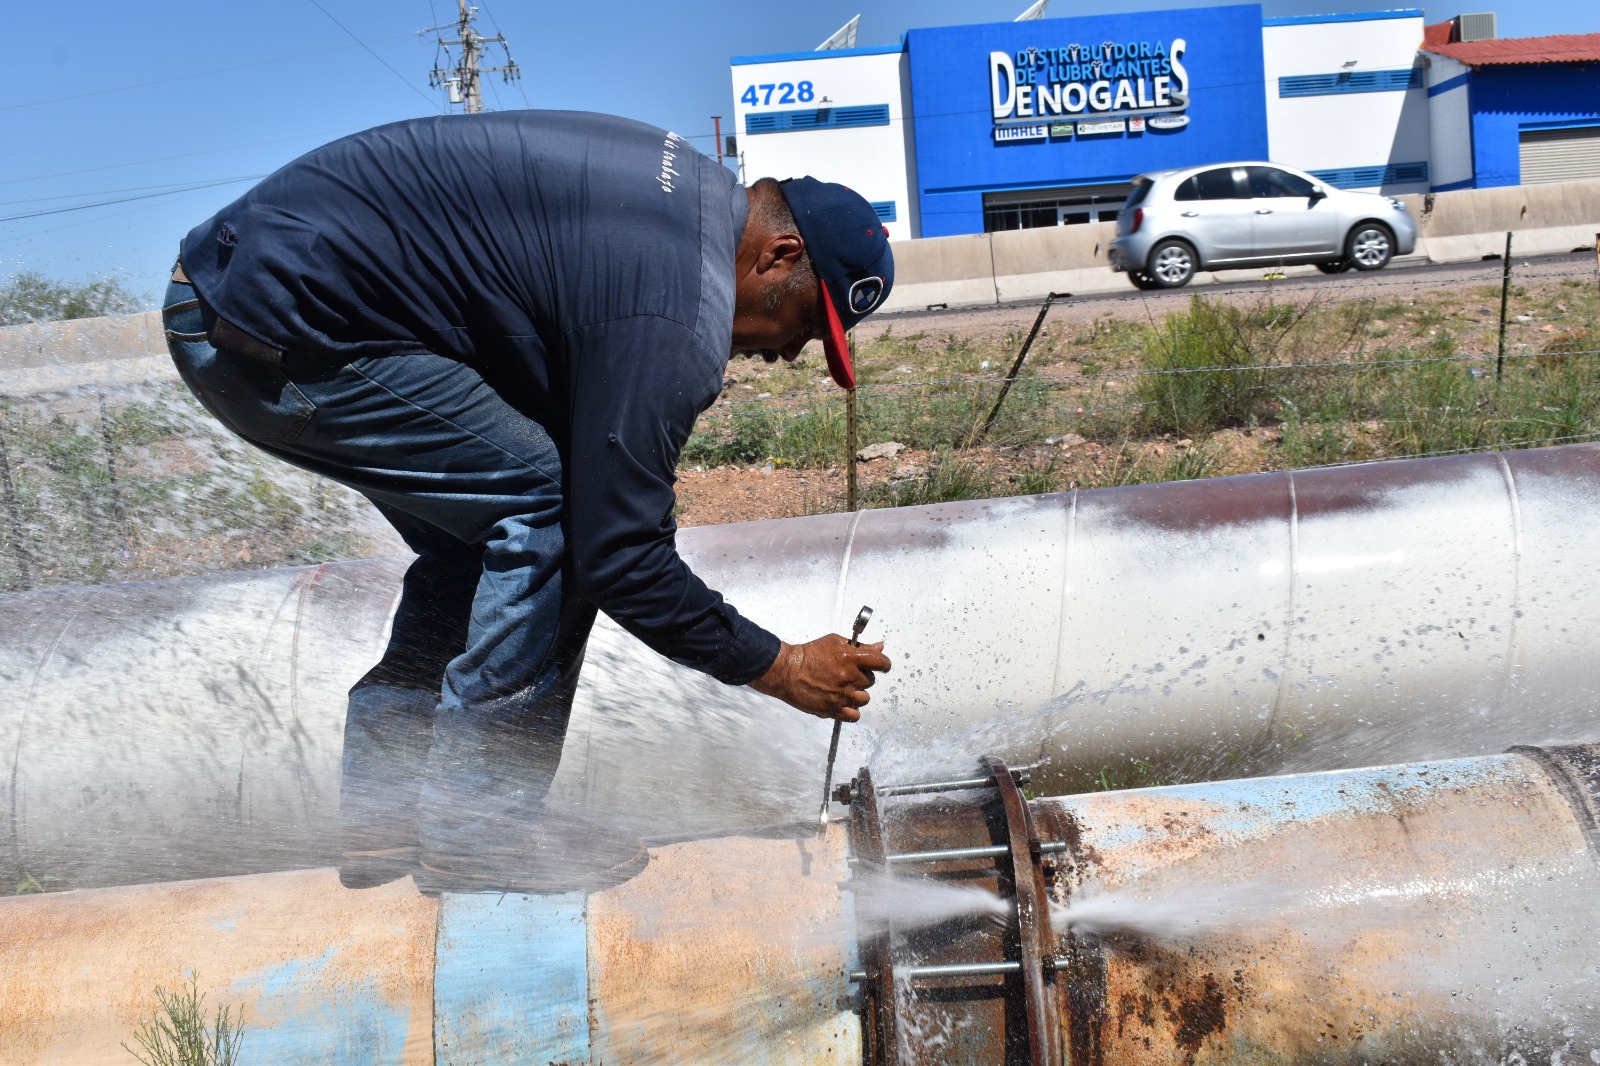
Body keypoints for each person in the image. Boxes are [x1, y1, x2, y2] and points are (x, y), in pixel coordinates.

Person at [160, 110, 894, 895]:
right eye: (807, 324)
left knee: (484, 538)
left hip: (244, 300)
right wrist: (778, 666)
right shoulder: (678, 304)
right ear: (779, 254)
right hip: (282, 325)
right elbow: (618, 555)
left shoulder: (681, 208)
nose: (788, 353)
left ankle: (389, 808)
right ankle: (479, 827)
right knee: (550, 509)